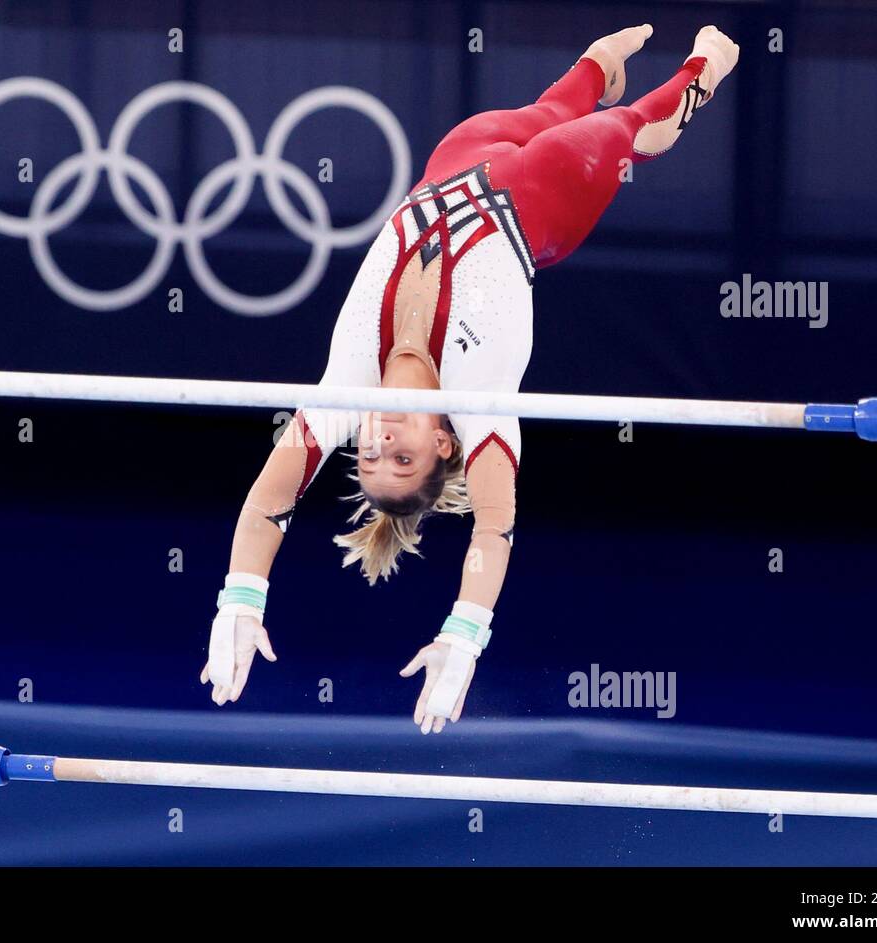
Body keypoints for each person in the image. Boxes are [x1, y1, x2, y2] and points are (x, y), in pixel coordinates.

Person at [203, 25, 740, 733]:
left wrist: (240, 597)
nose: (382, 438)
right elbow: (495, 525)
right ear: (445, 445)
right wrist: (465, 633)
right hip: (542, 206)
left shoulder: (346, 391)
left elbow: (267, 502)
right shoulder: (476, 401)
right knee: (630, 128)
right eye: (404, 457)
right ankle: (712, 62)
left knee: (555, 106)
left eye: (370, 453)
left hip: (451, 165)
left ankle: (600, 65)